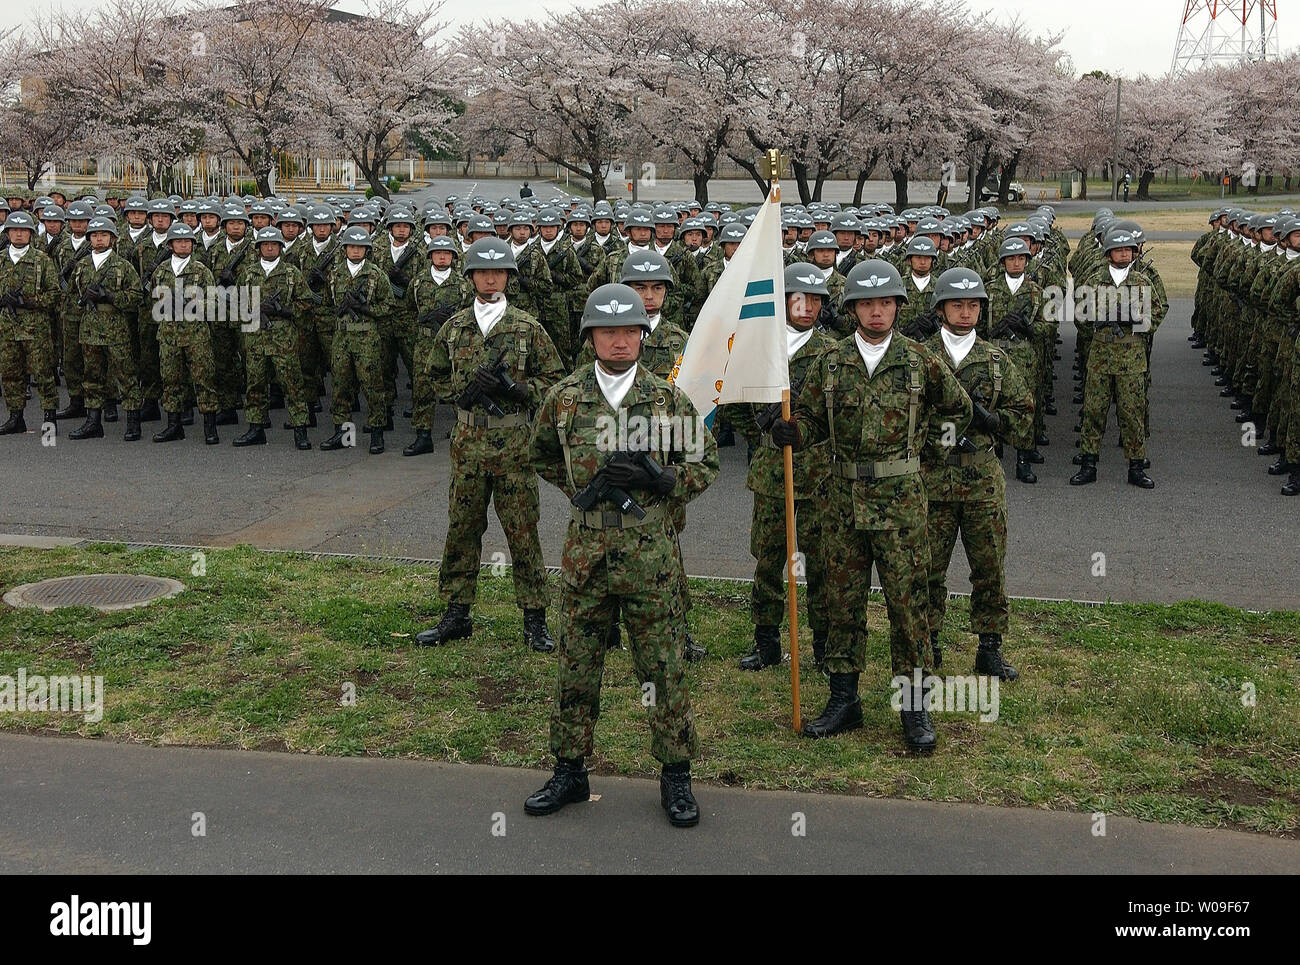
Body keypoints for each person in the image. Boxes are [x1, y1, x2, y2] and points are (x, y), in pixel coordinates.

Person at [524, 283, 718, 827]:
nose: (619, 341)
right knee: (576, 667)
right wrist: (579, 491)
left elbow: (706, 464)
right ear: (590, 339)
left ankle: (676, 776)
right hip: (585, 552)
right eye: (607, 332)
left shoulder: (667, 399)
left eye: (628, 331)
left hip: (648, 552)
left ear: (641, 335)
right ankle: (570, 770)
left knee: (663, 666)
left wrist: (664, 479)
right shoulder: (564, 399)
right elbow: (540, 454)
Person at [770, 259, 971, 752]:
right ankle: (845, 699)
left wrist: (927, 454)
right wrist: (795, 432)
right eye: (866, 303)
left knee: (909, 605)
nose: (876, 312)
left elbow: (959, 410)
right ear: (853, 308)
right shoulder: (831, 361)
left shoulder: (920, 360)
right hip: (842, 499)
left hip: (901, 503)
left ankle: (914, 706)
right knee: (841, 601)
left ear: (899, 307)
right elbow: (813, 417)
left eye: (885, 303)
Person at [415, 238, 564, 652]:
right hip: (467, 443)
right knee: (462, 528)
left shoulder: (527, 327)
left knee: (522, 531)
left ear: (509, 278)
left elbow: (554, 382)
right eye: (483, 271)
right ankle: (456, 613)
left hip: (514, 443)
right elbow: (432, 374)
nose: (491, 278)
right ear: (471, 277)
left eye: (499, 272)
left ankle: (535, 618)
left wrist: (516, 389)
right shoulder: (455, 326)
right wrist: (463, 392)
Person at [920, 268, 1034, 677]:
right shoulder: (920, 357)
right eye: (957, 304)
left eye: (972, 305)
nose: (965, 312)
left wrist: (993, 422)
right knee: (928, 569)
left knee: (989, 568)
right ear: (940, 310)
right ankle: (927, 646)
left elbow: (1025, 416)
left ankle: (989, 648)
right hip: (932, 479)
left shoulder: (996, 360)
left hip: (982, 480)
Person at [730, 264, 836, 672]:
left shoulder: (830, 353)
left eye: (814, 300)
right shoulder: (761, 348)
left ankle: (824, 646)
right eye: (798, 298)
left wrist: (809, 434)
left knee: (820, 562)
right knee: (769, 558)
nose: (806, 306)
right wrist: (762, 432)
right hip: (771, 471)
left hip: (817, 475)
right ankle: (767, 640)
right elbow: (737, 403)